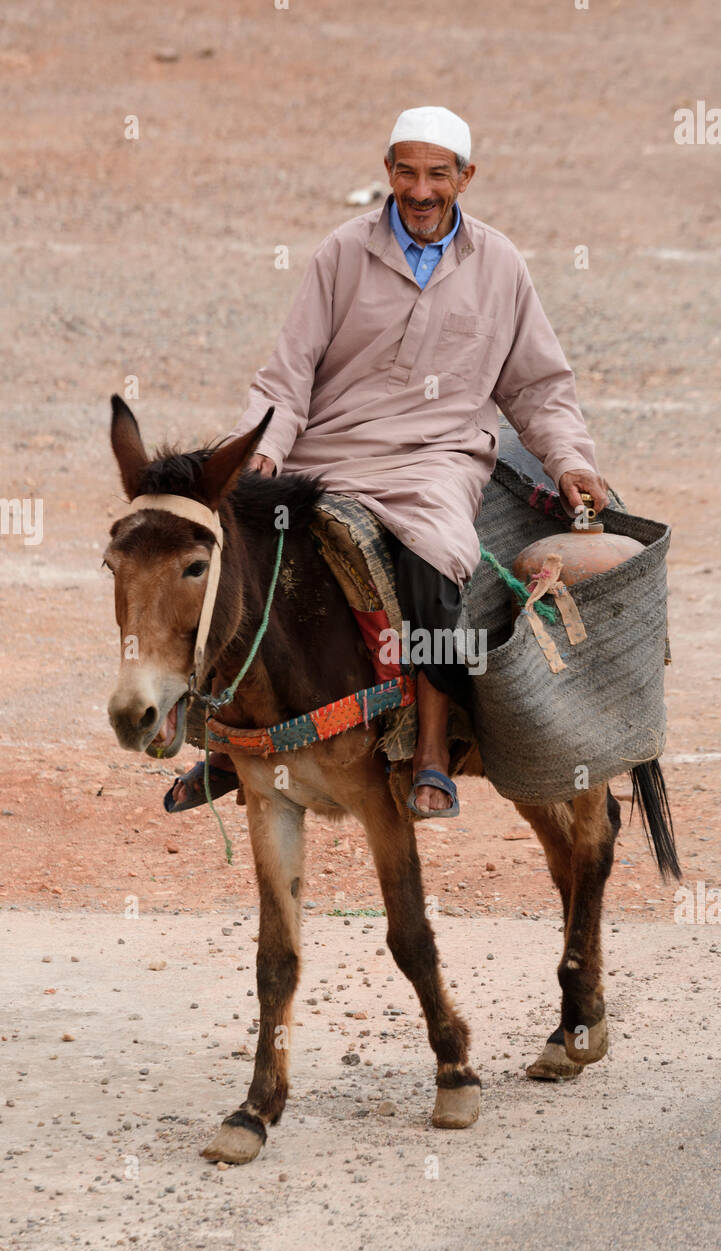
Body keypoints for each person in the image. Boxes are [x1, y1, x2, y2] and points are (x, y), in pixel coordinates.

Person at [167, 105, 609, 817]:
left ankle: (430, 748)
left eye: (439, 174)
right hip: (330, 447)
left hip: (436, 458)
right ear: (388, 173)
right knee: (241, 550)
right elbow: (287, 374)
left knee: (434, 561)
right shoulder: (341, 252)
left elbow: (538, 387)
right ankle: (224, 743)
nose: (422, 190)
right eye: (407, 171)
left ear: (466, 178)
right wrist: (266, 452)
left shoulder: (500, 265)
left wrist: (569, 460)